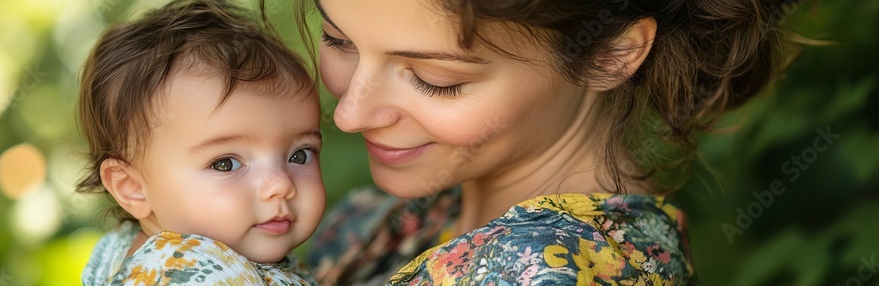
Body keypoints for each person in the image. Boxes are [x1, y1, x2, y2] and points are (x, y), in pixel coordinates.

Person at [291, 0, 802, 284]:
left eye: (436, 79)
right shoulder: (388, 218)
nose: (350, 114)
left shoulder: (555, 271)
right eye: (339, 40)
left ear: (610, 53)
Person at [76, 0, 323, 284]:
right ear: (132, 188)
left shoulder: (135, 252)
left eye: (300, 155)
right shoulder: (194, 274)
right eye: (225, 163)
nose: (281, 185)